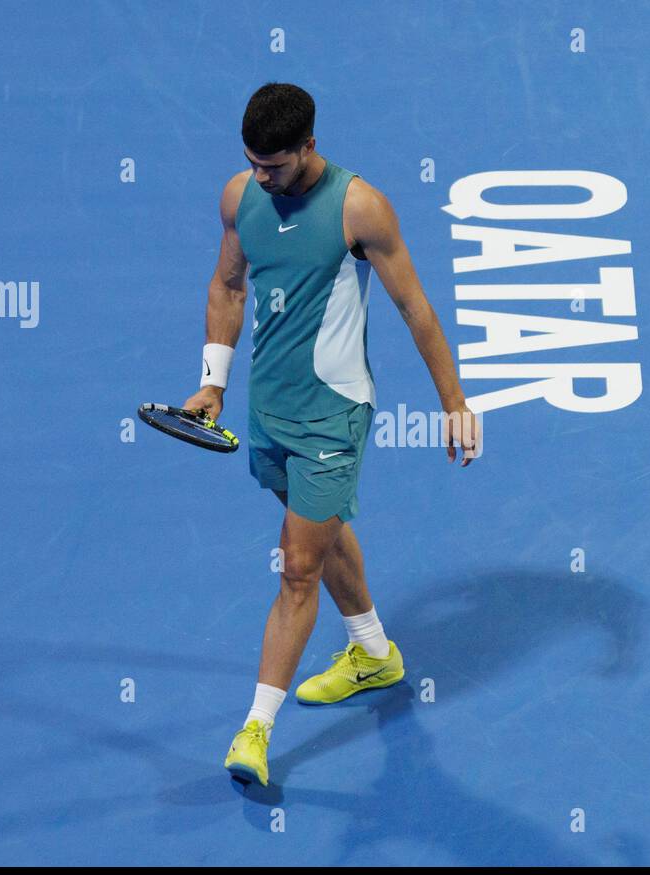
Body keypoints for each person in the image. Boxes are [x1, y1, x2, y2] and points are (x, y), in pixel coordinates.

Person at [183, 82, 479, 788]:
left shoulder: (360, 209)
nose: (262, 178)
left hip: (333, 415)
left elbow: (415, 306)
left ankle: (255, 729)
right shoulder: (240, 196)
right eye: (253, 163)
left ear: (309, 147)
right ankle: (373, 653)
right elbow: (228, 286)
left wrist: (453, 401)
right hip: (270, 409)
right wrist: (214, 382)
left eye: (276, 166)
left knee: (297, 567)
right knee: (320, 527)